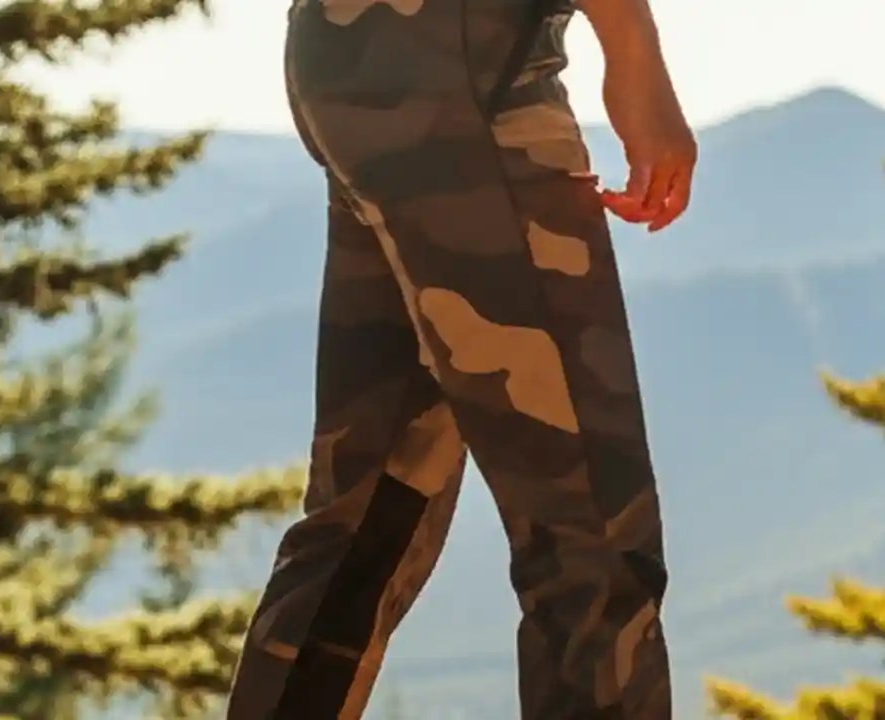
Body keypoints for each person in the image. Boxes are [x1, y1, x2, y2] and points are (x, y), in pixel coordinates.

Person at [226, 0, 696, 716]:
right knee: (590, 538)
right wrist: (632, 43)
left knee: (372, 517)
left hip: (356, 56)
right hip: (467, 67)